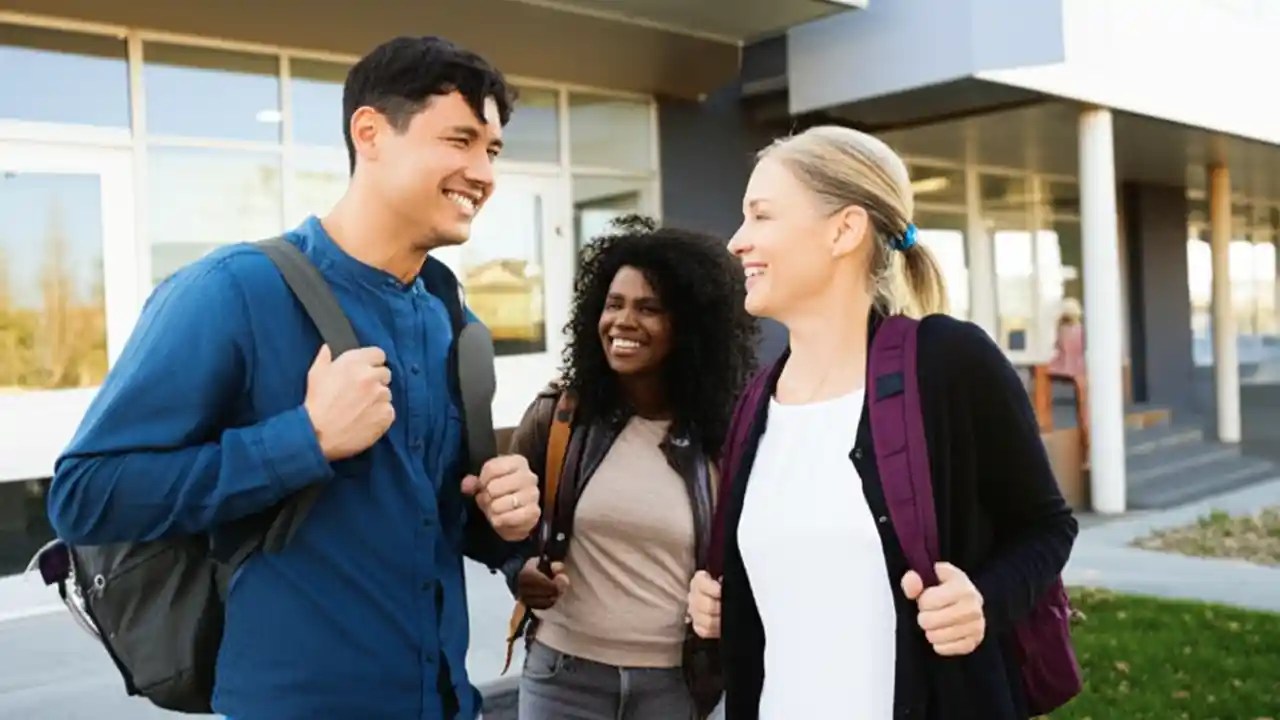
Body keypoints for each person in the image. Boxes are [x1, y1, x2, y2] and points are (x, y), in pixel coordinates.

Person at [45, 36, 540, 720]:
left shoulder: (454, 320)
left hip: (447, 704)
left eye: (492, 151)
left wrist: (505, 527)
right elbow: (85, 496)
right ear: (369, 133)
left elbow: (432, 514)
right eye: (460, 140)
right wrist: (304, 440)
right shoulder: (234, 292)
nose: (482, 172)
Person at [686, 126, 1079, 719]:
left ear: (844, 229)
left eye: (762, 216)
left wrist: (982, 600)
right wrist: (721, 600)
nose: (738, 241)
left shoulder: (949, 363)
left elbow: (1046, 526)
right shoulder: (755, 402)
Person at [506, 216, 757, 719]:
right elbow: (503, 531)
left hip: (676, 685)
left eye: (649, 308)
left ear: (689, 328)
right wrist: (519, 570)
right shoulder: (559, 419)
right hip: (563, 678)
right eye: (614, 304)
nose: (622, 321)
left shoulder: (729, 436)